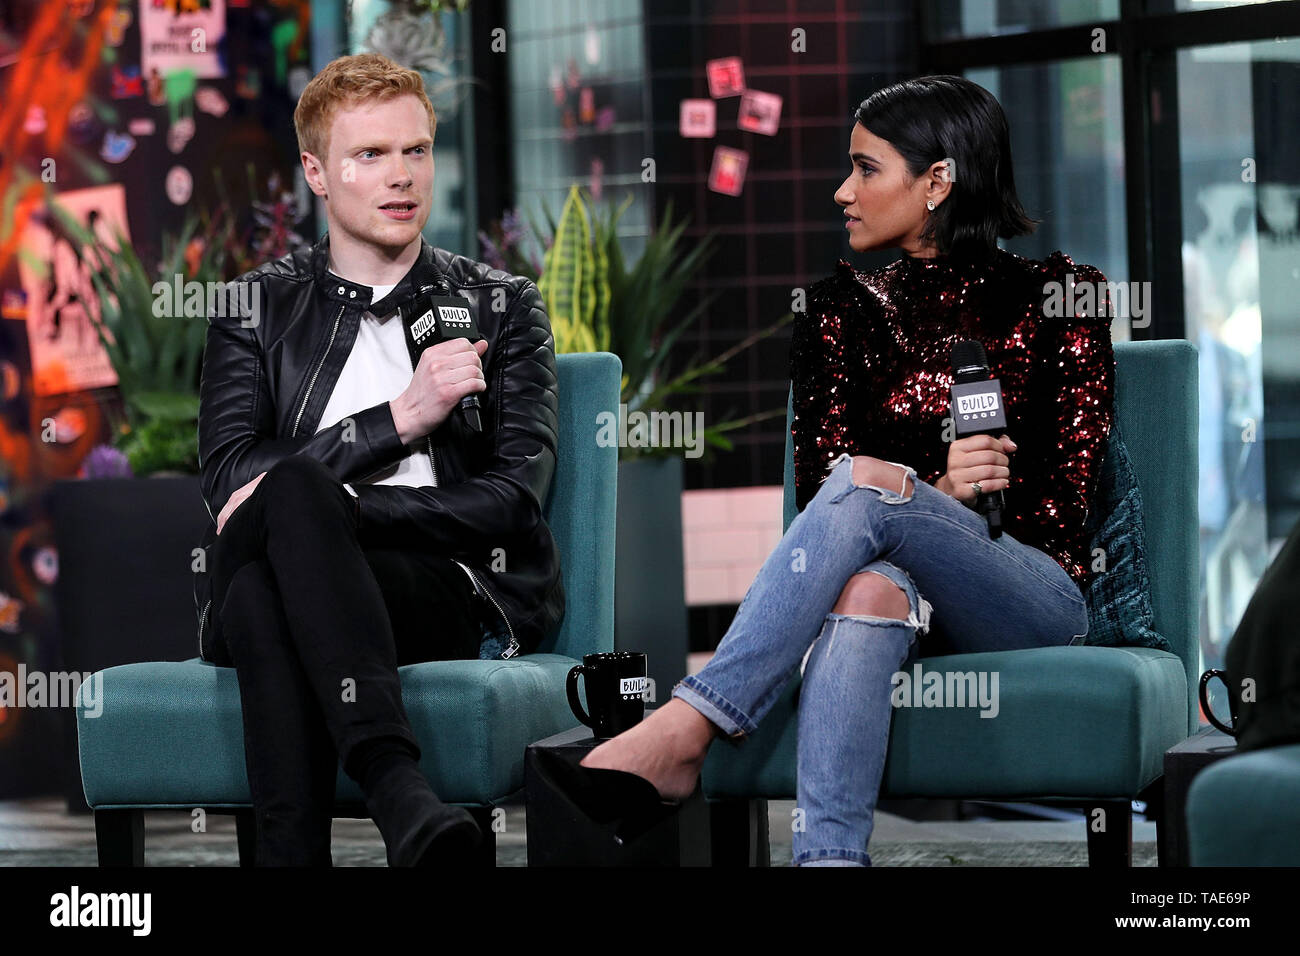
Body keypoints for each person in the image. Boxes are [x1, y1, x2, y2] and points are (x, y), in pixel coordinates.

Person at [539, 75, 1114, 866]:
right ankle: (831, 861)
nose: (843, 191)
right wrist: (937, 492)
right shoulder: (834, 311)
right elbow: (820, 506)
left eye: (866, 169)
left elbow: (1067, 511)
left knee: (872, 481)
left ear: (938, 181)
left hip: (1033, 591)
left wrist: (953, 496)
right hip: (900, 586)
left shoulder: (1063, 295)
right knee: (863, 581)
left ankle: (686, 727)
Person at [192, 53, 565, 866]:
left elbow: (512, 502)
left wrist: (345, 508)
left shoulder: (501, 306)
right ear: (317, 173)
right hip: (313, 576)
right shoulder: (251, 309)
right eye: (370, 156)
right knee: (281, 526)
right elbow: (226, 484)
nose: (402, 178)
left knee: (267, 576)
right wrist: (397, 420)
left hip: (435, 585)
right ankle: (400, 791)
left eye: (417, 150)